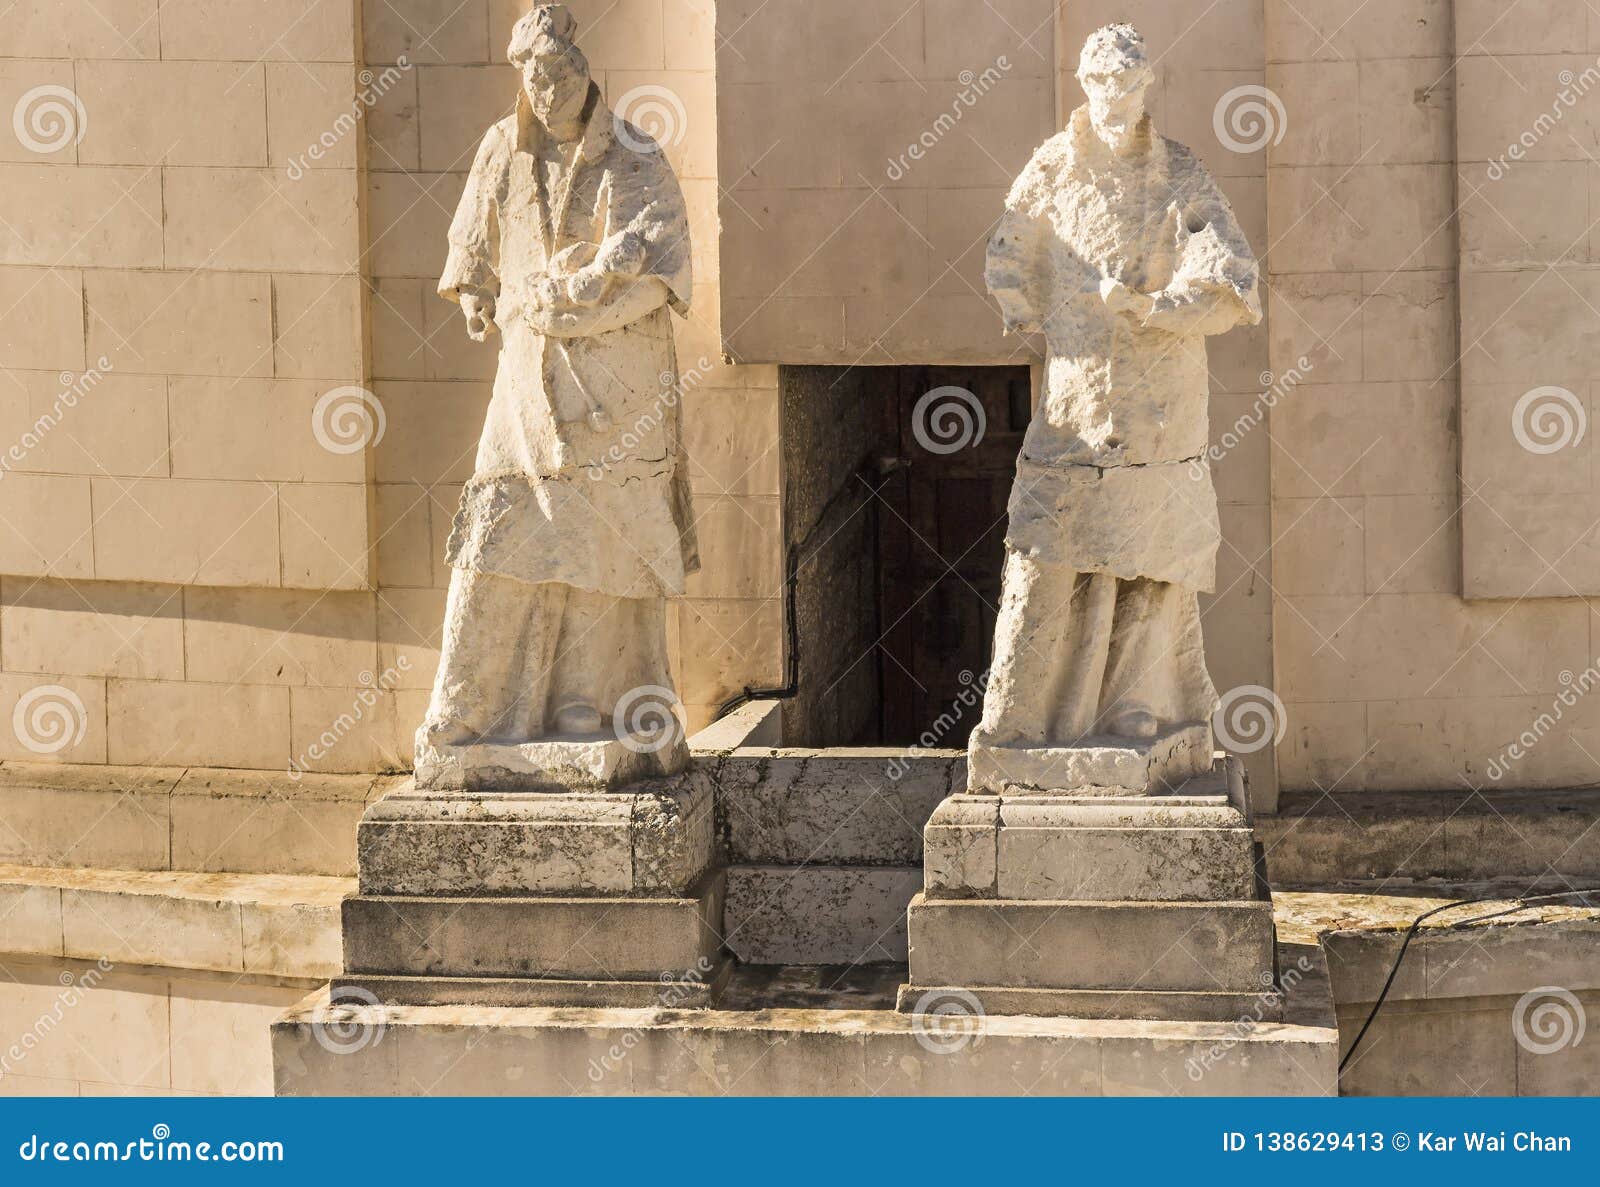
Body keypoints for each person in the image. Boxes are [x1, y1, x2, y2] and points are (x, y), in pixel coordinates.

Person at [419, 3, 696, 765]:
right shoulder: (501, 147)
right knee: (500, 529)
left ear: (582, 72)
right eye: (533, 81)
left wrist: (587, 306)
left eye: (557, 75)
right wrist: (476, 292)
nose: (546, 93)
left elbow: (666, 268)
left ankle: (591, 699)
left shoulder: (633, 150)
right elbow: (472, 243)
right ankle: (469, 705)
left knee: (603, 542)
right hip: (526, 378)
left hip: (614, 386)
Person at [973, 23, 1261, 756]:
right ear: (1083, 84)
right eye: (1101, 83)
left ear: (1146, 87)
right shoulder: (1051, 169)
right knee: (1047, 548)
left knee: (1151, 564)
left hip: (1159, 405)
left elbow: (1232, 281)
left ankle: (1139, 711)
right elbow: (1008, 253)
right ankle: (1030, 718)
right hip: (1073, 403)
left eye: (1128, 83)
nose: (1114, 97)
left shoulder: (1179, 173)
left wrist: (1155, 308)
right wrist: (1041, 309)